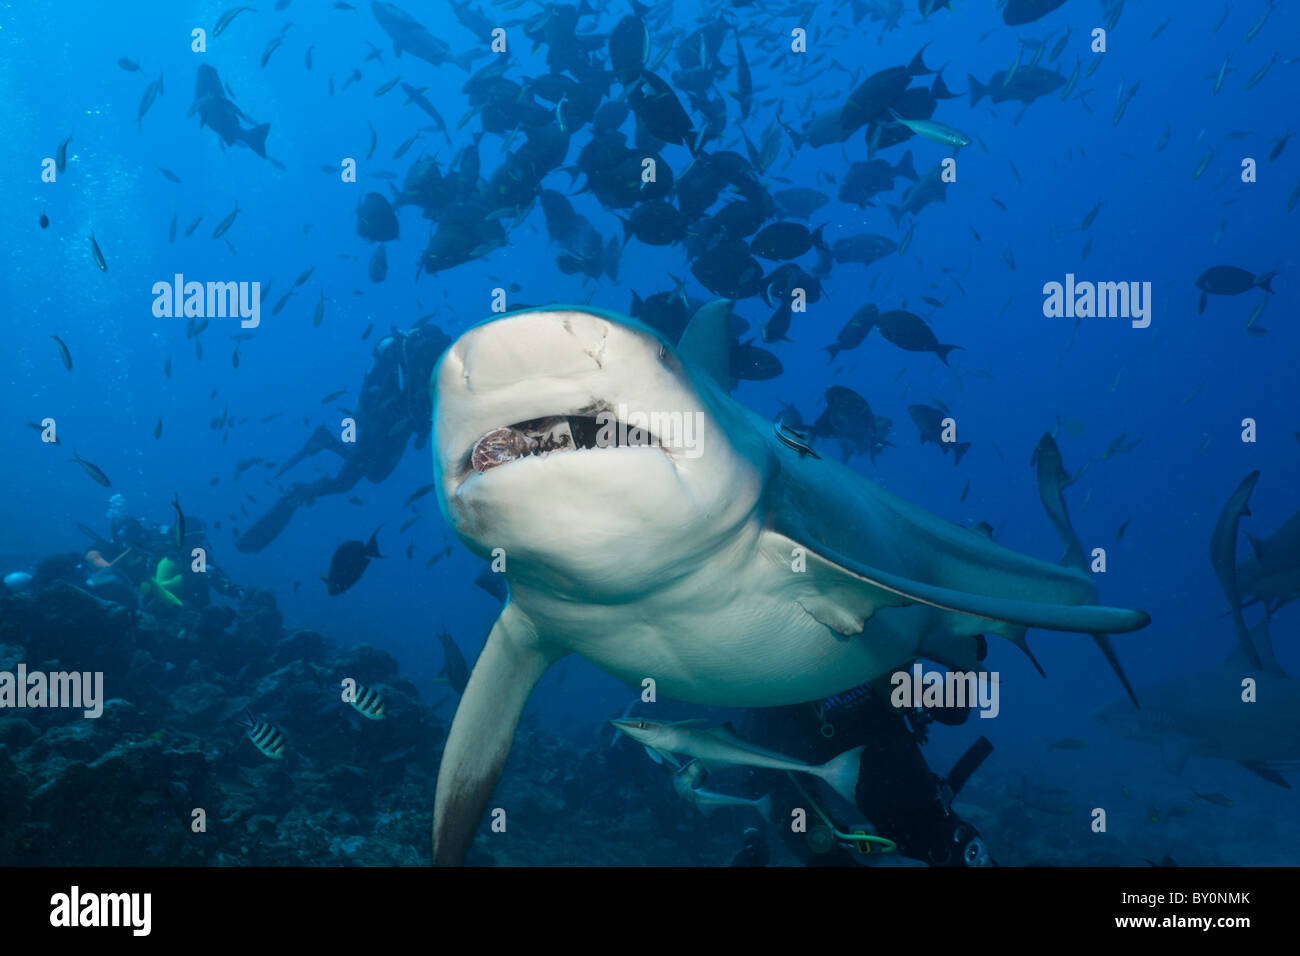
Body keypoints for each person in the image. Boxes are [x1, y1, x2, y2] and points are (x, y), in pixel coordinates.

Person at [236, 322, 451, 552]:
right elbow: (409, 399)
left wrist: (421, 429)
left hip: (392, 427)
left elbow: (422, 404)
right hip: (382, 425)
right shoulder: (423, 363)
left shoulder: (422, 363)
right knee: (353, 480)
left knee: (366, 477)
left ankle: (315, 464)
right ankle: (321, 449)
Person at [731, 679, 994, 867]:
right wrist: (753, 843)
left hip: (931, 827)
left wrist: (964, 660)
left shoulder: (873, 667)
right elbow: (756, 782)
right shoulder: (772, 699)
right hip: (845, 849)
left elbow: (953, 711)